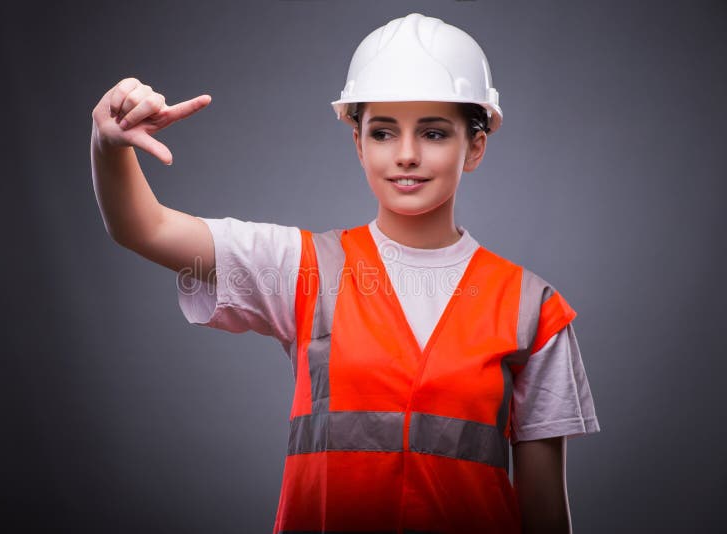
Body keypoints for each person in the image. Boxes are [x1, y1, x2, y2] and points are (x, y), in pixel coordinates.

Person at [90, 12, 600, 534]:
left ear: (474, 146)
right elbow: (144, 228)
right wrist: (109, 144)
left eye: (433, 132)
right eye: (383, 132)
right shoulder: (302, 269)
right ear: (358, 143)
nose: (406, 155)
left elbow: (544, 517)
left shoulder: (532, 309)